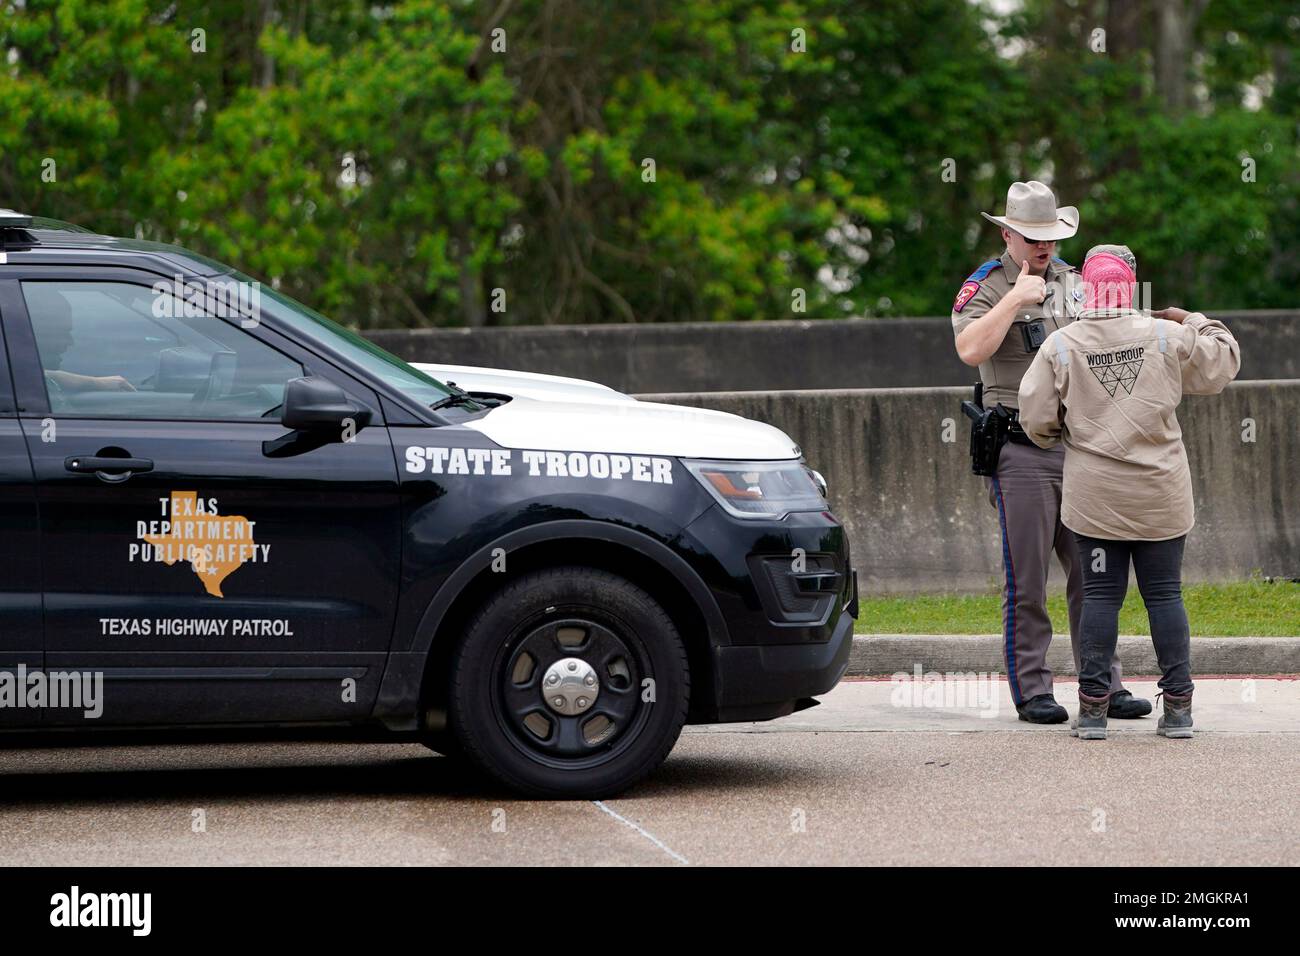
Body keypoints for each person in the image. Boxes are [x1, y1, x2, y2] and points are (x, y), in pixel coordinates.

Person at [1017, 244, 1240, 739]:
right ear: (1130, 288)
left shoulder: (1061, 345)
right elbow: (1222, 364)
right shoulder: (1165, 335)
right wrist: (1193, 318)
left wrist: (1063, 436)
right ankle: (1178, 708)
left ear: (1086, 292)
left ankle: (1093, 710)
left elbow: (1034, 417)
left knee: (1098, 596)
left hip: (1096, 500)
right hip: (1160, 495)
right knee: (1164, 596)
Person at [951, 182, 1149, 724]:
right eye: (1034, 237)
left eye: (1052, 237)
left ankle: (1101, 683)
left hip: (1080, 445)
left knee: (1094, 574)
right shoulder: (986, 287)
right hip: (1020, 449)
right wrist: (1017, 297)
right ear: (1007, 233)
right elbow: (969, 349)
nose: (1045, 247)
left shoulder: (1074, 283)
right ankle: (1033, 689)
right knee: (1029, 578)